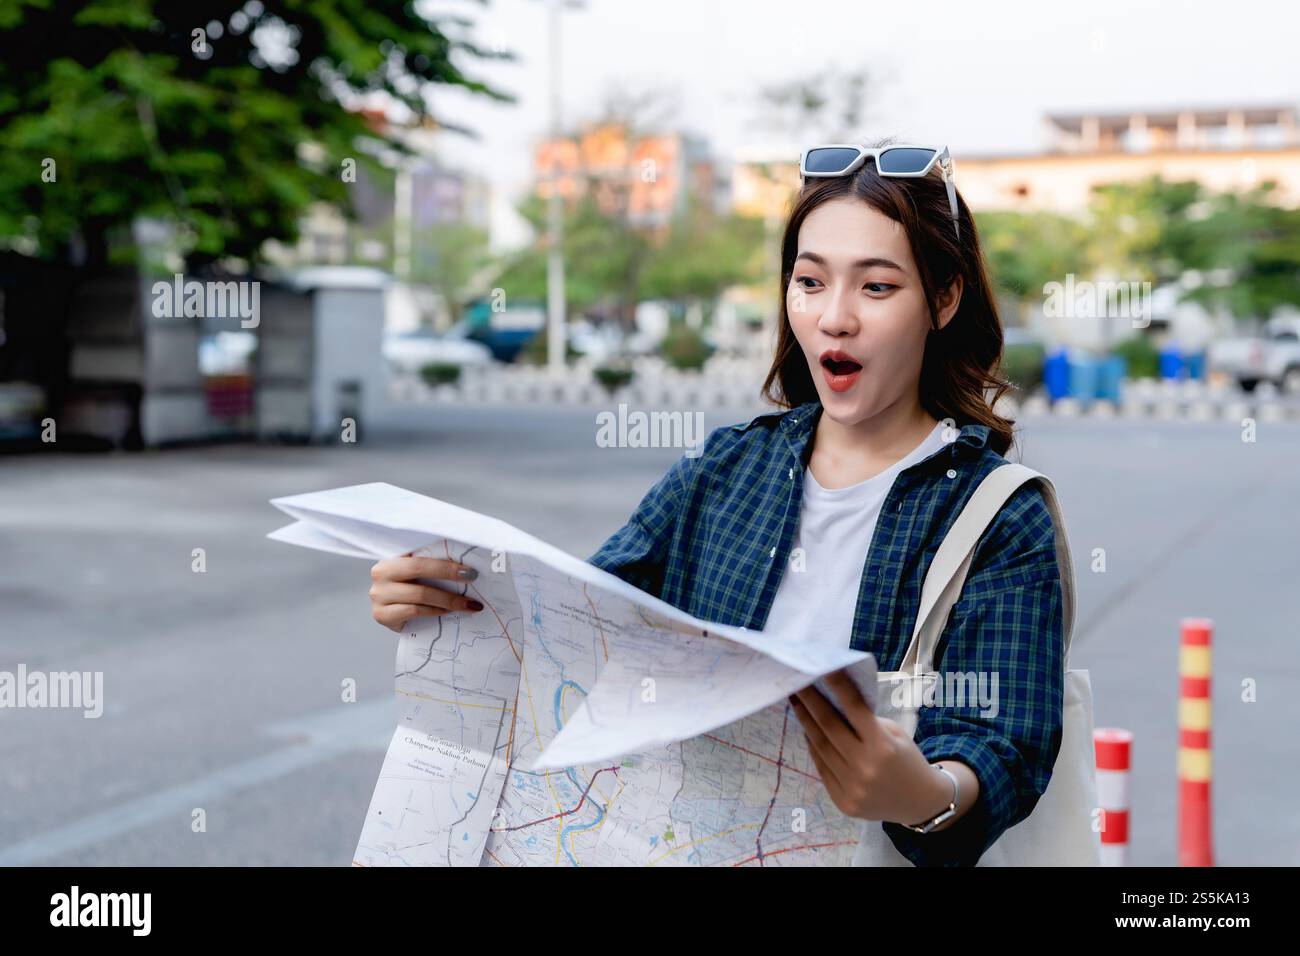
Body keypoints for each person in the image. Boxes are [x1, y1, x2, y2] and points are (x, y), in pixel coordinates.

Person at [367, 139, 1066, 867]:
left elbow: (1003, 744)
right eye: (810, 281)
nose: (835, 318)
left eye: (877, 287)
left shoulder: (999, 514)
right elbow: (582, 619)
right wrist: (446, 593)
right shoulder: (724, 468)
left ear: (944, 299)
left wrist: (920, 793)